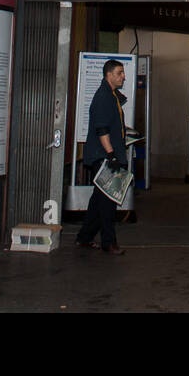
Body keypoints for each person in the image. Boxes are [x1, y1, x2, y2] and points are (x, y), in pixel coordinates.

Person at [76, 59, 129, 255]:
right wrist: (111, 155)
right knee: (108, 202)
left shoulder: (111, 95)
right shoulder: (103, 97)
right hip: (104, 157)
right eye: (119, 73)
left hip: (106, 155)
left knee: (99, 200)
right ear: (108, 75)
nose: (123, 76)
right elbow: (102, 129)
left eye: (122, 73)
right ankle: (109, 242)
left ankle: (84, 237)